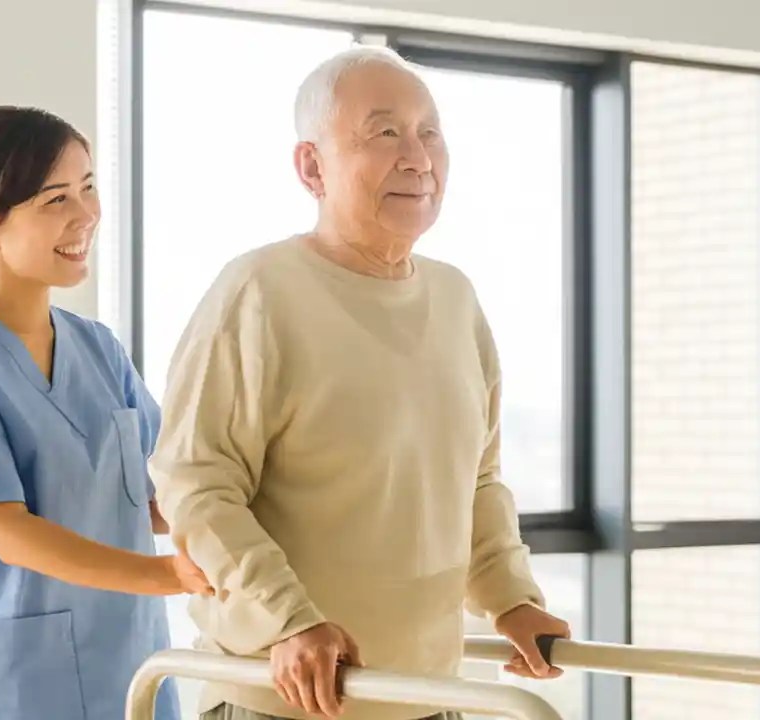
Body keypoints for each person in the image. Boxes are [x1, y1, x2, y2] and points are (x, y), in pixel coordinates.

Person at [151, 47, 572, 720]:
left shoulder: (457, 299)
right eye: (384, 133)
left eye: (429, 132)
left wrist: (511, 599)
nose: (418, 157)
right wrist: (289, 620)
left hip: (427, 699)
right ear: (311, 166)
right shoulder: (258, 293)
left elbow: (479, 483)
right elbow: (196, 486)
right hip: (285, 702)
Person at [0, 106, 211, 720]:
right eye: (55, 199)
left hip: (128, 667)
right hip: (9, 680)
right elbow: (8, 530)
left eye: (88, 187)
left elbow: (158, 495)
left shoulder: (99, 349)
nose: (85, 214)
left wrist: (246, 529)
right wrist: (170, 575)